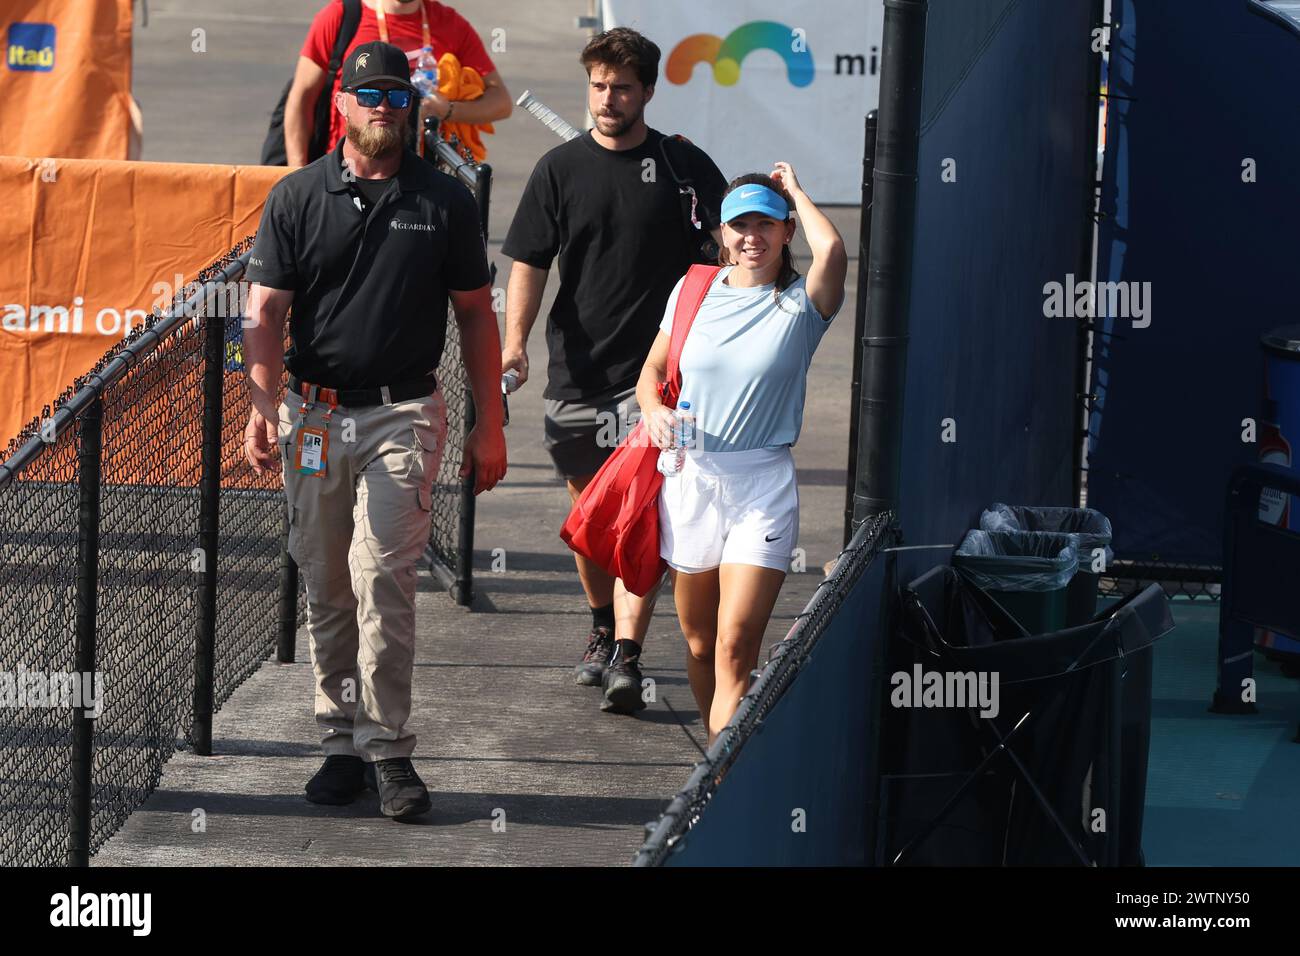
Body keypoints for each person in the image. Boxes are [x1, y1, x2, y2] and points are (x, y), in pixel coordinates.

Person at [242, 41, 507, 819]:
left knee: (380, 576)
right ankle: (338, 743)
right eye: (370, 95)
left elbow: (476, 317)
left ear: (412, 106)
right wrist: (263, 406)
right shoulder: (296, 198)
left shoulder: (445, 202)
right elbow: (263, 314)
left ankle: (388, 749)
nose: (384, 107)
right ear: (344, 107)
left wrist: (489, 424)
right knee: (325, 582)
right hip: (315, 414)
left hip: (404, 413)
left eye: (397, 95)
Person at [500, 28, 726, 714]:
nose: (608, 99)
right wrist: (516, 345)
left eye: (622, 87)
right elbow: (529, 265)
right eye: (598, 86)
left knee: (640, 511)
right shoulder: (559, 170)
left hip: (657, 380)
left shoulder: (684, 167)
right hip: (576, 371)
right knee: (591, 515)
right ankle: (602, 625)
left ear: (648, 92)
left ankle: (626, 653)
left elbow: (732, 251)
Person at [636, 163, 847, 745]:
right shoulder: (692, 289)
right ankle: (717, 752)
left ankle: (718, 783)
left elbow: (832, 249)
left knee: (735, 644)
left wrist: (797, 192)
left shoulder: (804, 304)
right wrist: (653, 408)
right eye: (739, 224)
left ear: (786, 233)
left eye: (766, 223)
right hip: (690, 480)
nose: (751, 235)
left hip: (762, 487)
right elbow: (652, 372)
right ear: (721, 233)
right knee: (701, 641)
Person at [285, 0, 512, 166]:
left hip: (425, 175)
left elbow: (501, 102)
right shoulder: (342, 17)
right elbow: (301, 99)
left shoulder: (451, 25)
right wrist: (296, 173)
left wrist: (447, 110)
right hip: (349, 168)